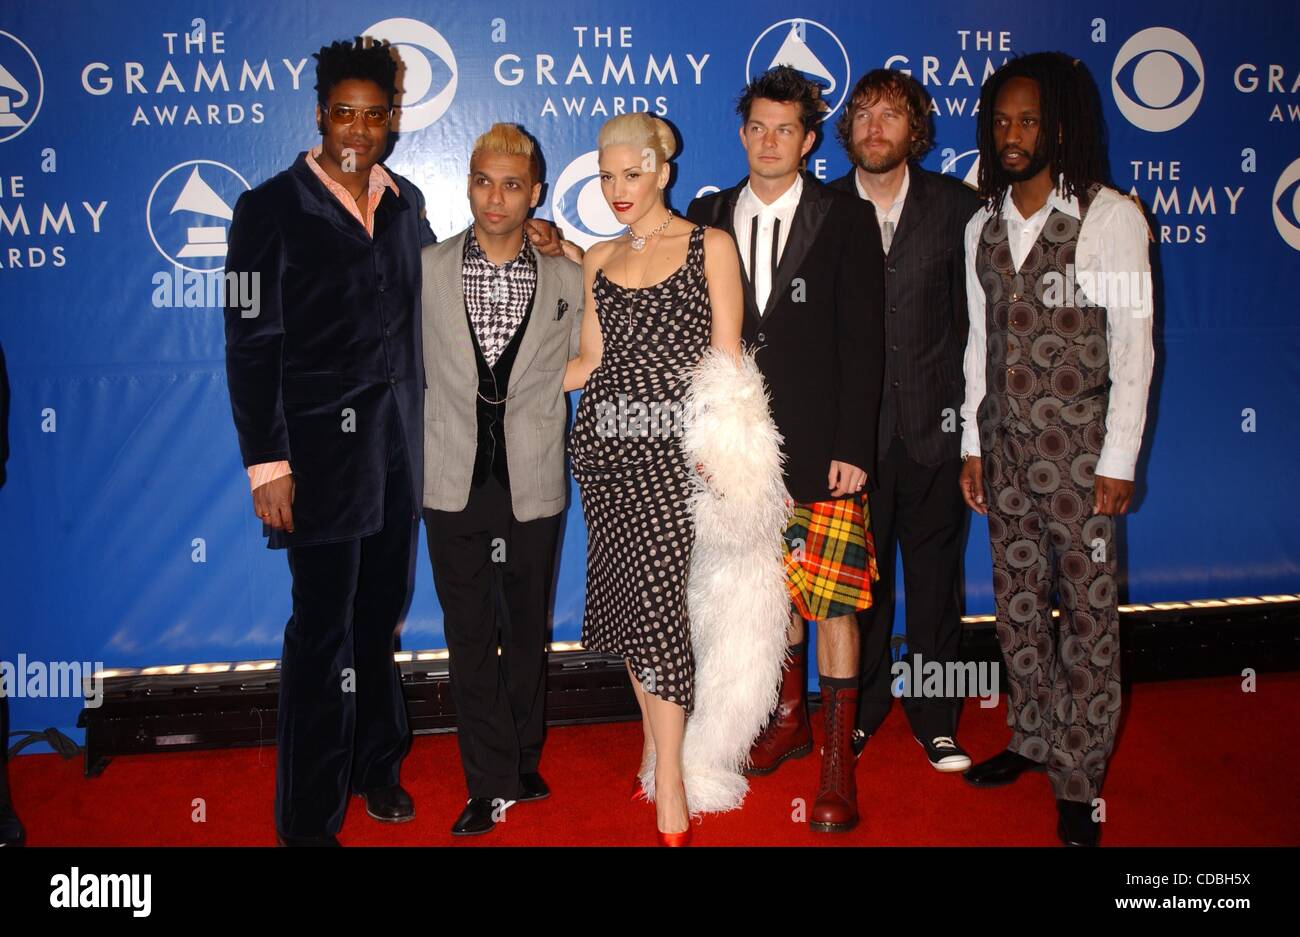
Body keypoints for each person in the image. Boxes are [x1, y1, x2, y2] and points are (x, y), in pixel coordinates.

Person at [223, 38, 434, 846]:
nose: (359, 129)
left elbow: (432, 307)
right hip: (313, 463)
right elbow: (247, 341)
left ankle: (376, 764)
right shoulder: (264, 209)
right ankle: (308, 821)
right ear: (320, 114)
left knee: (378, 618)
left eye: (374, 114)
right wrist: (266, 462)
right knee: (321, 632)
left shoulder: (407, 201)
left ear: (392, 119)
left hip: (397, 458)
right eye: (344, 112)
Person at [565, 113, 789, 844]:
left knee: (662, 610)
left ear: (663, 170)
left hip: (674, 458)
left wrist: (722, 448)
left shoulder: (709, 245)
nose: (617, 188)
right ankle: (659, 745)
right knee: (635, 611)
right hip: (605, 452)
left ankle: (670, 778)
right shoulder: (596, 258)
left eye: (632, 172)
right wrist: (509, 381)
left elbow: (727, 357)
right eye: (605, 174)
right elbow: (589, 362)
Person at [958, 52, 1154, 847]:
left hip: (1082, 460)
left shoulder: (1111, 218)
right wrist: (972, 442)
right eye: (1002, 121)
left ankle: (1080, 774)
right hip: (1004, 453)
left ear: (1060, 126)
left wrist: (1118, 460)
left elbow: (1136, 345)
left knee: (1090, 618)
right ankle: (1033, 737)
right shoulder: (982, 220)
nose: (1012, 135)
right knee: (1018, 610)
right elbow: (979, 341)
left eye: (1028, 120)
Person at [687, 65, 886, 833]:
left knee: (832, 598)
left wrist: (853, 444)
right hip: (735, 453)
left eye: (786, 130)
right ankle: (787, 718)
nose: (769, 141)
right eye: (757, 127)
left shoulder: (844, 218)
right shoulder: (707, 214)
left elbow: (864, 341)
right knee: (762, 596)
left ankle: (837, 764)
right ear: (742, 134)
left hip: (820, 447)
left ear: (808, 140)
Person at [420, 124, 584, 836]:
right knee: (467, 631)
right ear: (468, 184)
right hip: (450, 479)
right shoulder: (424, 269)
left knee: (525, 630)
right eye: (484, 181)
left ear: (536, 194)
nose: (496, 197)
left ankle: (521, 755)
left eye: (512, 185)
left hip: (534, 479)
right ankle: (487, 781)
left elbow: (601, 348)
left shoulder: (568, 276)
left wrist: (573, 248)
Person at [828, 69, 982, 772]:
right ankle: (858, 714)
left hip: (936, 433)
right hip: (853, 444)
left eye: (890, 116)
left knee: (935, 587)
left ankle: (937, 717)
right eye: (862, 115)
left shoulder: (957, 207)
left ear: (914, 129)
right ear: (847, 129)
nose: (875, 128)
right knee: (861, 592)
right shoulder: (822, 209)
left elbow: (977, 327)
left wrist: (972, 431)